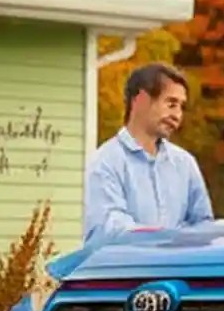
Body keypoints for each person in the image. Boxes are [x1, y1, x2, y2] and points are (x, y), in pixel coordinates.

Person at [82, 63, 214, 244]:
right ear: (141, 99)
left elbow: (204, 229)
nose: (177, 115)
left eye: (181, 107)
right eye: (171, 104)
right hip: (129, 263)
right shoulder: (105, 162)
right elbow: (110, 231)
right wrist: (171, 237)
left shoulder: (185, 164)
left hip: (179, 263)